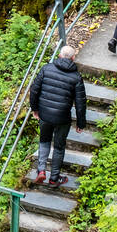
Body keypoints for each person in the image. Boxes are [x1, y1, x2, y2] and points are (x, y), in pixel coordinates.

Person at [29, 44, 87, 188]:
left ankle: (41, 170)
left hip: (45, 114)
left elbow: (34, 90)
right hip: (62, 117)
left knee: (44, 141)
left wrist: (35, 109)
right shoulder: (76, 77)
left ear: (60, 55)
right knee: (59, 147)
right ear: (73, 58)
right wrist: (80, 123)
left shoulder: (46, 69)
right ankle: (54, 178)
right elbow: (80, 102)